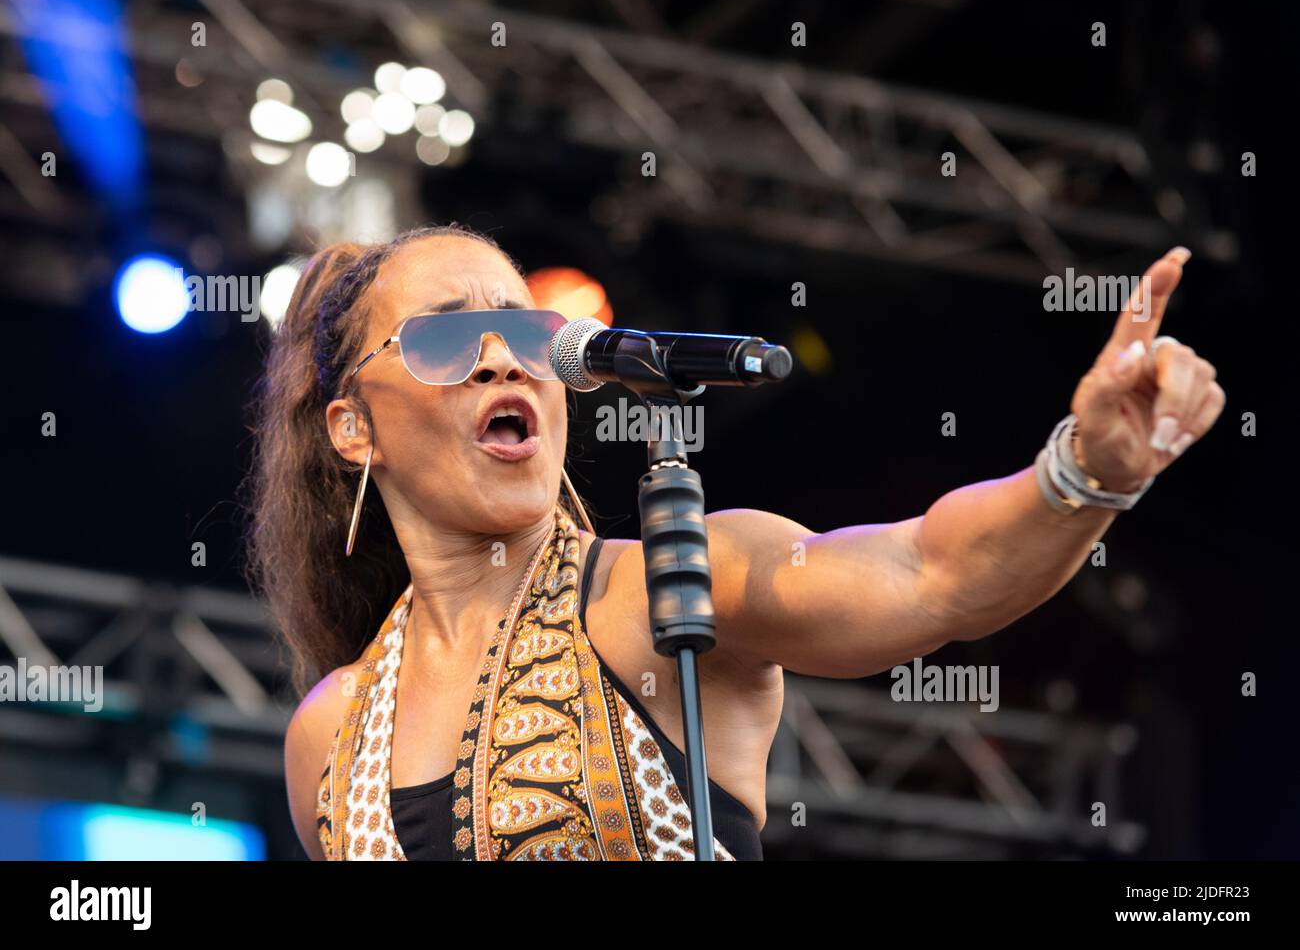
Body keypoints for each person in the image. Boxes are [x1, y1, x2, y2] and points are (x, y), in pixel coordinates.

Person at [246, 224, 1224, 860]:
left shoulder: (664, 589)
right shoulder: (330, 736)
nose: (504, 355)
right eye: (445, 335)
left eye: (526, 329)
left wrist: (1087, 470)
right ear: (354, 428)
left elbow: (933, 571)